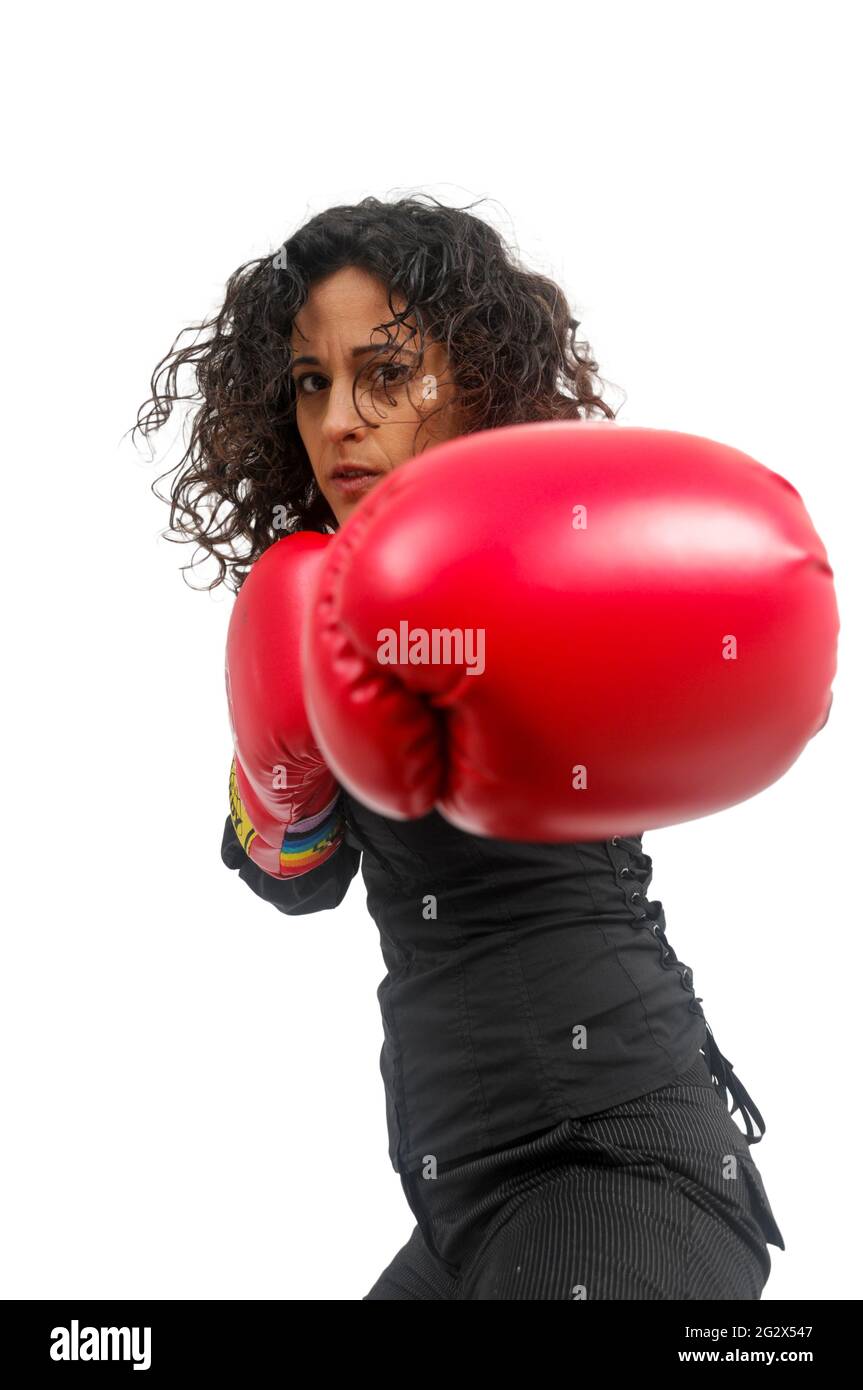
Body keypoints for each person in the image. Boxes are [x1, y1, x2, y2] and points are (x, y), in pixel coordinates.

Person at [136, 193, 787, 1299]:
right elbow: (298, 880)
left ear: (473, 381)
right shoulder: (319, 604)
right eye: (312, 381)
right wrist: (277, 786)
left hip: (613, 1168)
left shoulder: (551, 554)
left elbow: (708, 687)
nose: (340, 417)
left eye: (387, 375)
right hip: (459, 1199)